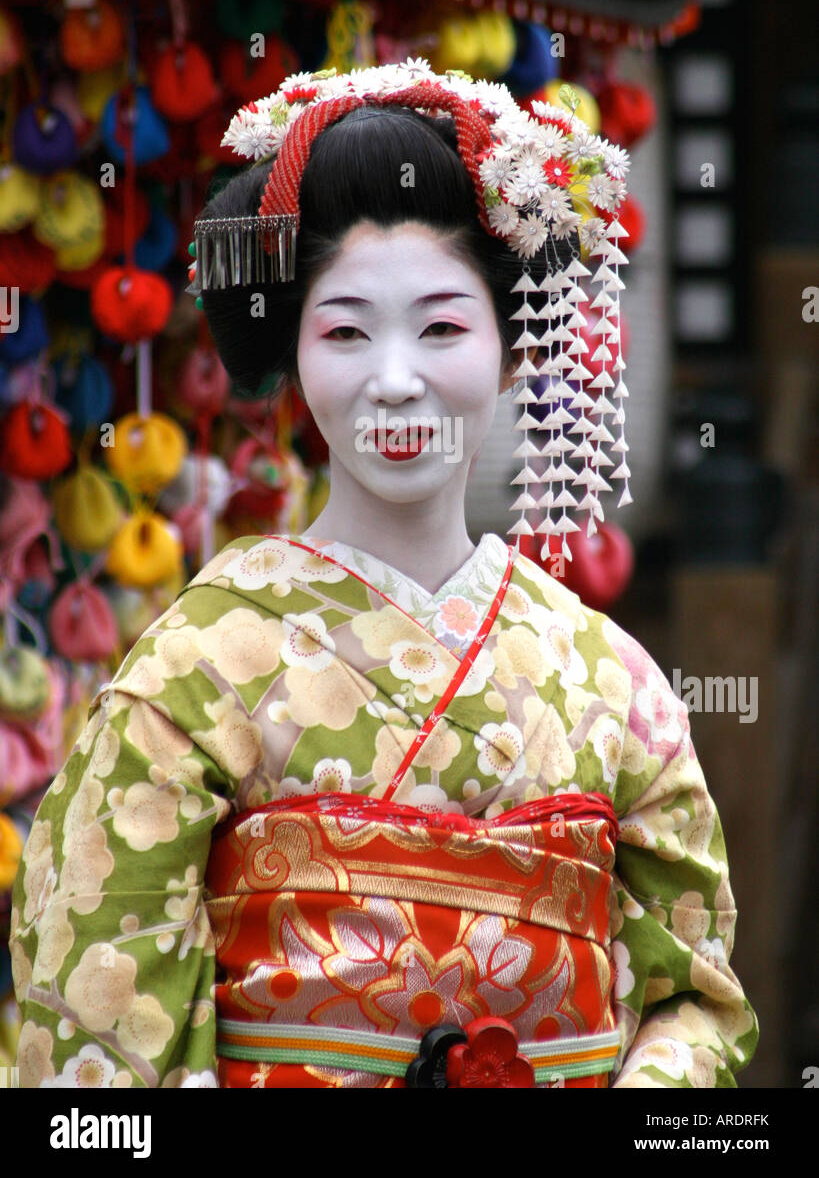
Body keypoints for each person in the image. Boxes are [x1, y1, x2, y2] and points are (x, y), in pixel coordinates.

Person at [11, 62, 757, 1088]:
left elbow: (697, 997)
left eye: (443, 326)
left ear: (511, 348)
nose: (394, 376)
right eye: (347, 329)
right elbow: (91, 1030)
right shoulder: (193, 672)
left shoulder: (615, 683)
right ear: (295, 348)